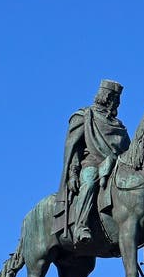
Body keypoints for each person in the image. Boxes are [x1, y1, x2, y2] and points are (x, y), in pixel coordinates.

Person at [55, 79, 130, 244]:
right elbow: (73, 147)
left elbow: (128, 151)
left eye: (118, 99)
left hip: (116, 166)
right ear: (106, 96)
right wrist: (73, 173)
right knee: (89, 183)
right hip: (91, 163)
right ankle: (81, 226)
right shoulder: (85, 116)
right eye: (114, 98)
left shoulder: (118, 125)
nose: (116, 102)